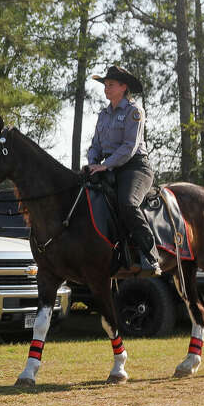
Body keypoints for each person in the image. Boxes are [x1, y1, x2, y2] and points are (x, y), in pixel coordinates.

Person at [84, 64, 161, 276]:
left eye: (110, 85)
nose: (106, 88)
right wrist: (93, 163)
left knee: (127, 203)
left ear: (123, 87)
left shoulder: (134, 111)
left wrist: (105, 165)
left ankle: (150, 255)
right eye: (105, 85)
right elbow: (95, 146)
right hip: (108, 167)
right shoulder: (103, 114)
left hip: (135, 166)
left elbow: (130, 147)